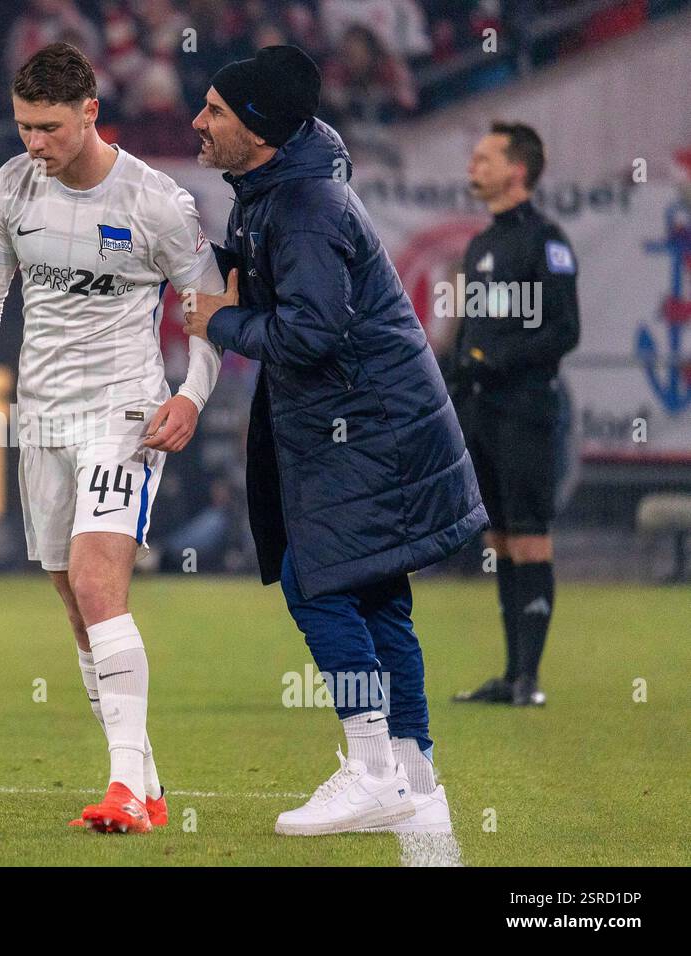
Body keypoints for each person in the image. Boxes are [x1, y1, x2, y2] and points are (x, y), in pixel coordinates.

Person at [183, 46, 486, 836]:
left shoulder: (305, 203)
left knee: (314, 583)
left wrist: (218, 321)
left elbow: (314, 330)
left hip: (366, 428)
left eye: (215, 110)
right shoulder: (278, 191)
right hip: (370, 422)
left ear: (258, 128)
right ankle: (412, 776)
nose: (197, 121)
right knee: (379, 593)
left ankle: (371, 768)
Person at [0, 42, 225, 834]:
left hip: (122, 410)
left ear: (92, 111)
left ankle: (124, 790)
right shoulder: (11, 186)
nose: (35, 144)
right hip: (41, 417)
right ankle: (149, 783)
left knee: (100, 585)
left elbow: (208, 306)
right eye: (25, 127)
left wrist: (194, 396)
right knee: (75, 605)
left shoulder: (155, 201)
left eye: (50, 128)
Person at [451, 122, 580, 708]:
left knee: (529, 536)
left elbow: (564, 331)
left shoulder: (546, 241)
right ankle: (510, 674)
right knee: (499, 537)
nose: (473, 167)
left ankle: (529, 678)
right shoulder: (480, 245)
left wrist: (493, 359)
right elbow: (469, 334)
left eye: (484, 158)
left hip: (525, 411)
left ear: (517, 170)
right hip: (480, 412)